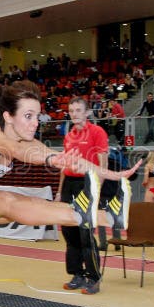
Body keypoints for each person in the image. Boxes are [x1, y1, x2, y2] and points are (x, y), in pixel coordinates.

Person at [0, 82, 140, 296]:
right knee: (7, 200)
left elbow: (63, 158)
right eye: (28, 116)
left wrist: (114, 174)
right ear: (8, 116)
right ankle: (99, 217)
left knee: (36, 207)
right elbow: (16, 150)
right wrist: (51, 159)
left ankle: (106, 217)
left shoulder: (25, 140)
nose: (35, 123)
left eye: (37, 116)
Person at [58, 97, 109, 293]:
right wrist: (59, 191)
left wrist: (96, 190)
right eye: (71, 111)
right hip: (69, 185)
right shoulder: (69, 136)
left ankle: (93, 277)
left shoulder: (97, 132)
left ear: (87, 112)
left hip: (87, 183)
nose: (74, 114)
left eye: (78, 110)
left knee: (85, 233)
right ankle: (77, 274)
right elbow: (64, 165)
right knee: (69, 232)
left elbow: (103, 165)